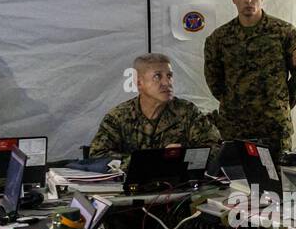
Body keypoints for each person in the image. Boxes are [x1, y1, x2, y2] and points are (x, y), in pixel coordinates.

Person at [203, 0, 296, 161]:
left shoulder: (284, 32)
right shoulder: (219, 38)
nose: (248, 0)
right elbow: (213, 79)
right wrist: (235, 101)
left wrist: (282, 102)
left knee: (276, 183)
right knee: (235, 185)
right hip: (235, 127)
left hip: (273, 126)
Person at [89, 53, 220, 169]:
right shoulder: (118, 117)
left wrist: (183, 156)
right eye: (158, 76)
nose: (167, 82)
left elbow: (214, 148)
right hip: (130, 189)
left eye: (169, 76)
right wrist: (153, 160)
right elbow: (98, 157)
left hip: (177, 186)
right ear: (139, 83)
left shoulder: (187, 112)